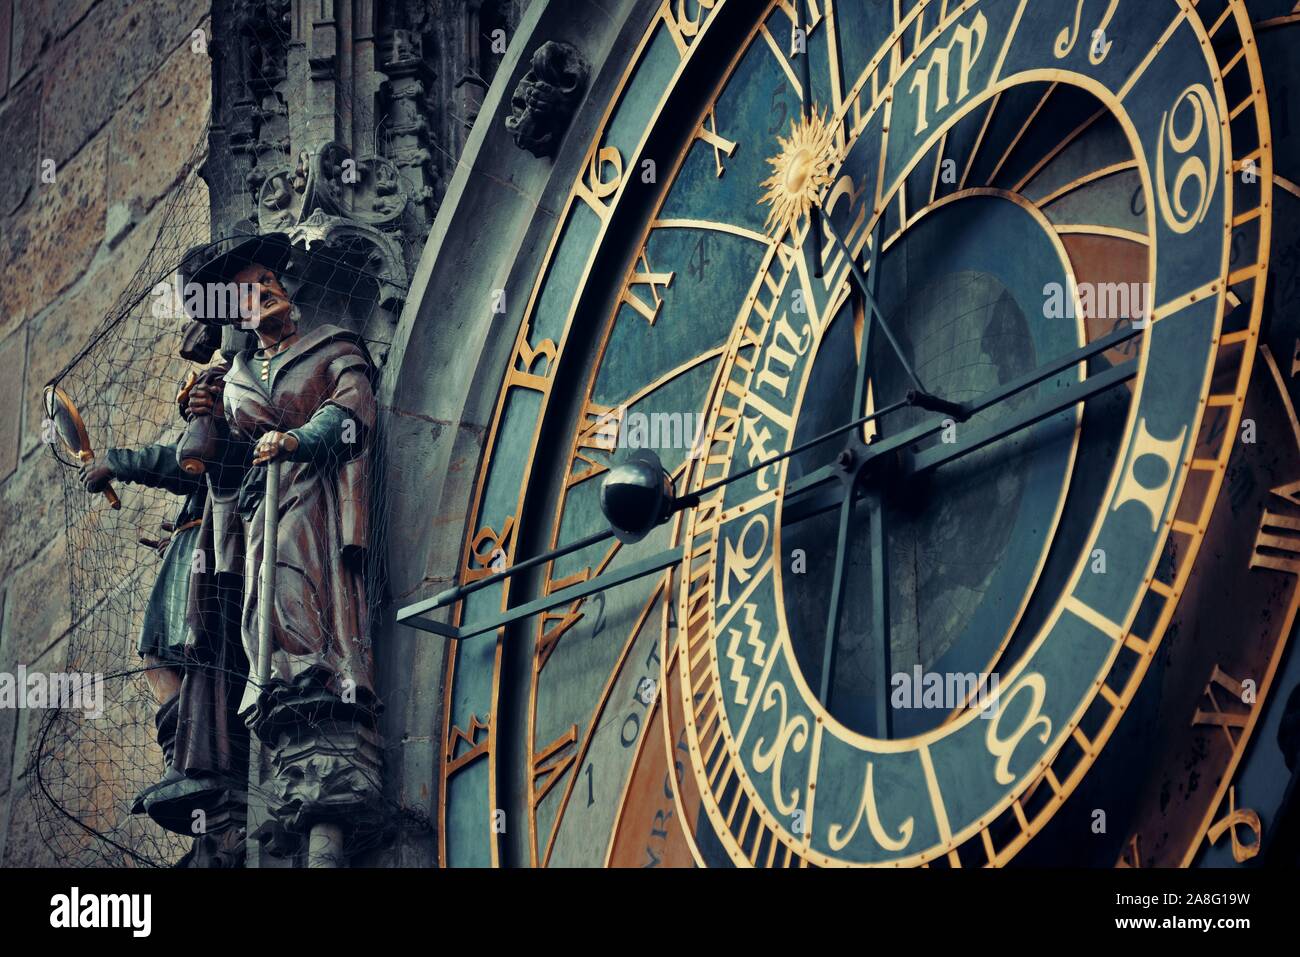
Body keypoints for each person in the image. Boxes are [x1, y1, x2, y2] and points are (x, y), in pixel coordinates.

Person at [185, 234, 379, 721]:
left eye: (269, 280)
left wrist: (297, 440)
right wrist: (205, 420)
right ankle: (274, 678)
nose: (267, 289)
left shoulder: (332, 345)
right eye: (251, 289)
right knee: (260, 587)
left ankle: (319, 669)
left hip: (315, 487)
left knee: (292, 562)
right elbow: (225, 463)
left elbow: (354, 408)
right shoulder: (234, 379)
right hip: (260, 499)